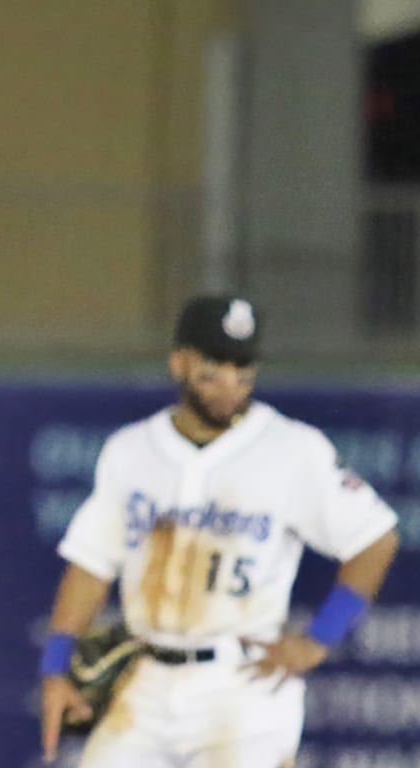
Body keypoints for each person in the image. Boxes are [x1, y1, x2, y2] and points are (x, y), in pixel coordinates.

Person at [37, 295, 401, 767]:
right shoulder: (131, 451)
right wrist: (54, 669)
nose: (230, 385)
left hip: (242, 683)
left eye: (242, 370)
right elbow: (90, 564)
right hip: (143, 678)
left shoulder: (291, 448)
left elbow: (375, 538)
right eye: (214, 369)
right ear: (179, 363)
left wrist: (319, 637)